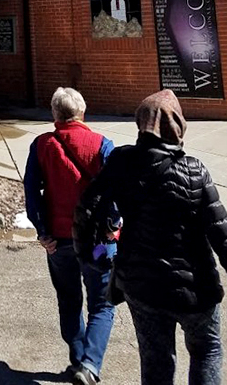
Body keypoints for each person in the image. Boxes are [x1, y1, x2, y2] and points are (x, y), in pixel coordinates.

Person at [74, 89, 227, 385]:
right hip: (195, 288)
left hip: (141, 284)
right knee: (207, 350)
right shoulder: (195, 171)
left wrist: (86, 255)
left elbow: (86, 207)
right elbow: (221, 233)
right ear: (178, 125)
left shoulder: (121, 163)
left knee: (156, 358)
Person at [24, 86, 116, 385]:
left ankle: (78, 358)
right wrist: (114, 225)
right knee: (102, 304)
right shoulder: (102, 145)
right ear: (82, 112)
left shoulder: (41, 145)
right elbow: (115, 194)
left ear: (54, 114)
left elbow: (32, 193)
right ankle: (89, 365)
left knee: (68, 299)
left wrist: (42, 232)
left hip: (59, 239)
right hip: (97, 240)